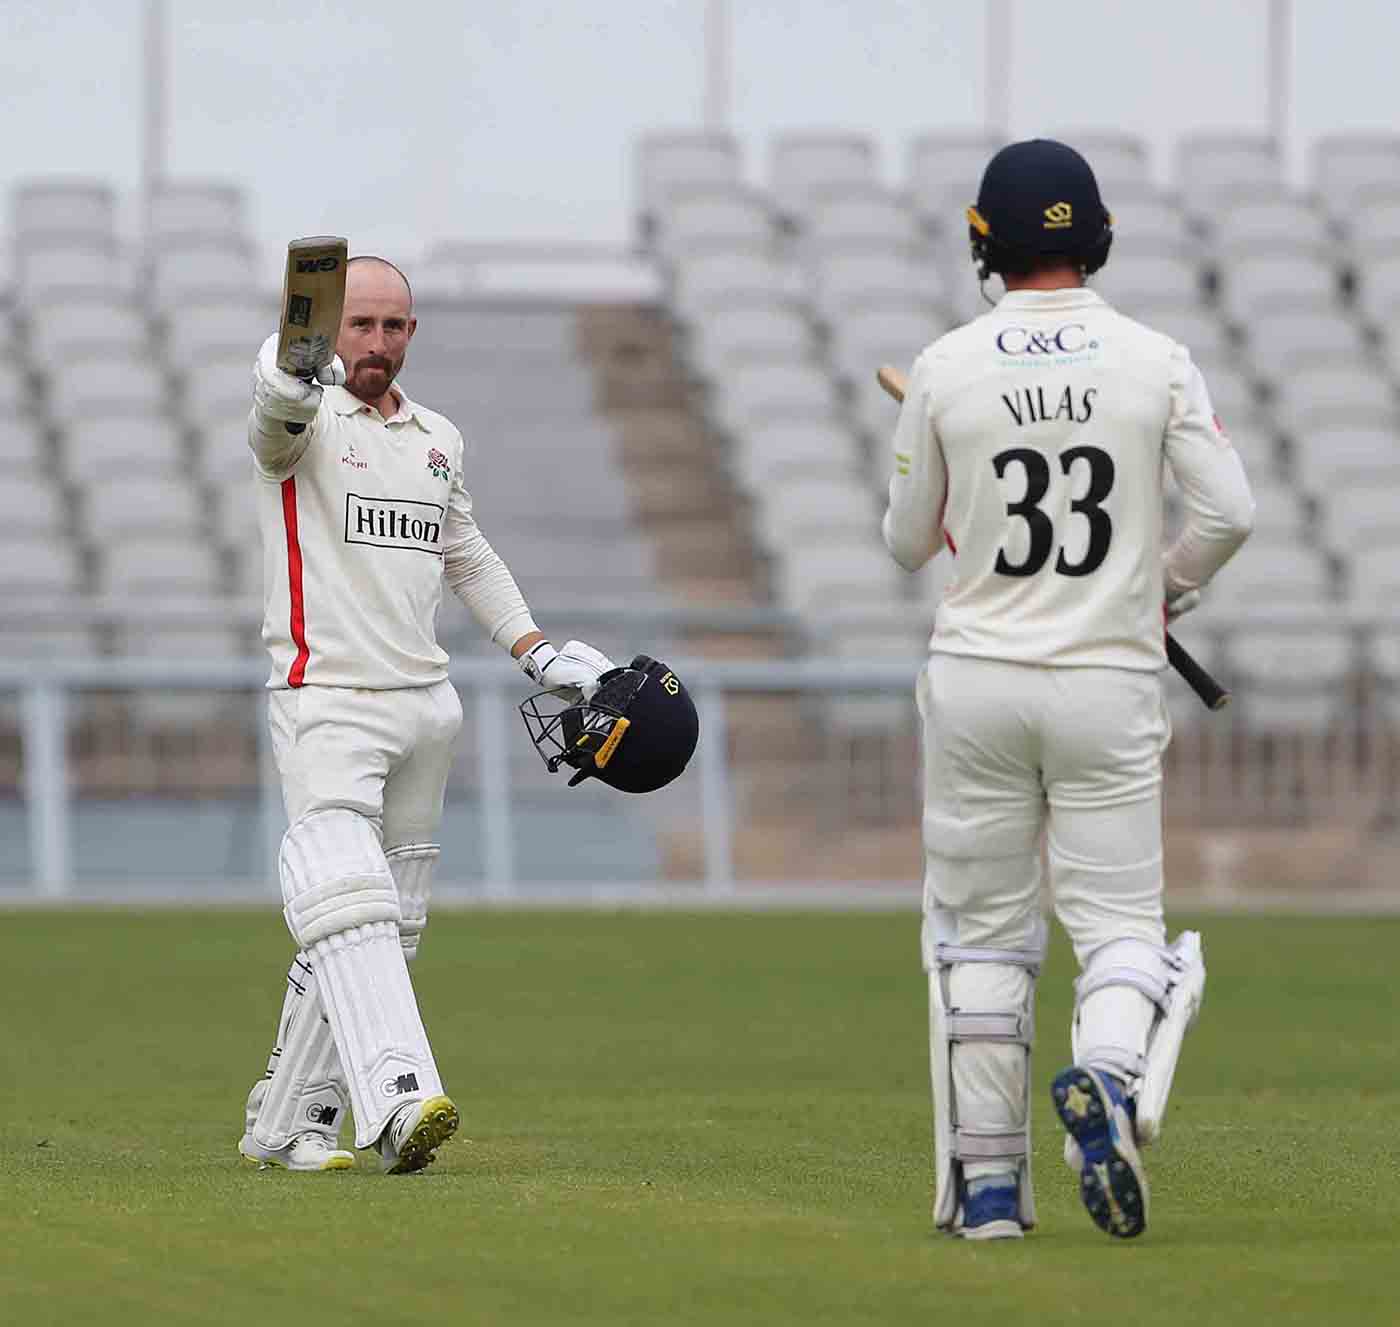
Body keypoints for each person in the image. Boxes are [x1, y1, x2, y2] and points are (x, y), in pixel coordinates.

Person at [882, 140, 1254, 1239]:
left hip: (978, 684)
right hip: (1106, 681)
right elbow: (1229, 512)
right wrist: (1161, 593)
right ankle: (1104, 1074)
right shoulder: (1155, 359)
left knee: (981, 938)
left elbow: (906, 542)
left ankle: (989, 1195)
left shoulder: (946, 364)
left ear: (982, 240)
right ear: (1093, 235)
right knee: (1121, 927)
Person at [237, 255, 616, 1173]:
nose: (378, 343)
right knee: (346, 894)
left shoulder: (437, 436)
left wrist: (534, 647)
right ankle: (399, 1102)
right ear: (334, 330)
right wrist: (293, 363)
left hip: (424, 704)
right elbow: (273, 415)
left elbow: (466, 551)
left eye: (394, 327)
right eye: (360, 325)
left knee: (386, 921)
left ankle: (286, 1121)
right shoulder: (305, 417)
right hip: (327, 695)